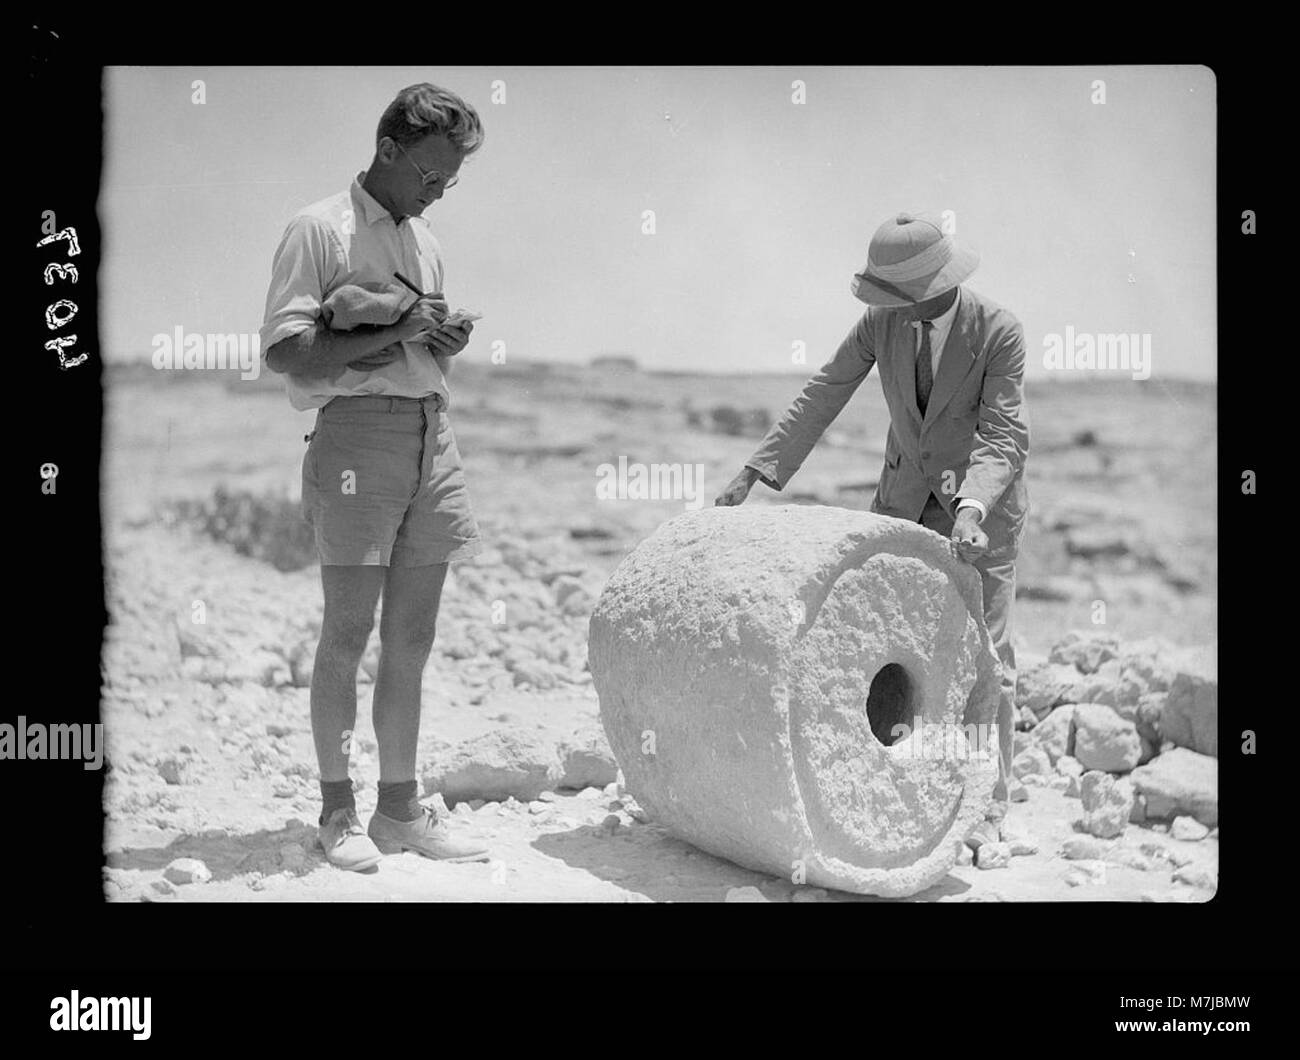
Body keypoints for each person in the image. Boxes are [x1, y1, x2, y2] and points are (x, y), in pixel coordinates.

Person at [716, 211, 1030, 819]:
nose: (885, 304)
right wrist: (757, 469)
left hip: (980, 513)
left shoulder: (998, 330)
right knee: (890, 646)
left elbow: (1003, 433)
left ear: (930, 286)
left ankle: (987, 806)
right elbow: (825, 390)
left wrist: (971, 506)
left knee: (987, 657)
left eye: (894, 294)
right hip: (903, 504)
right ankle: (895, 795)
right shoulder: (881, 322)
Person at [260, 83, 490, 870]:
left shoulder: (424, 240)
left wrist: (440, 336)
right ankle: (336, 810)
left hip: (434, 433)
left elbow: (412, 343)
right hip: (356, 438)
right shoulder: (317, 229)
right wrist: (396, 328)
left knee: (413, 638)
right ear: (388, 149)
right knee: (348, 633)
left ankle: (400, 809)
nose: (437, 194)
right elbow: (288, 351)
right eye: (430, 176)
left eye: (449, 182)